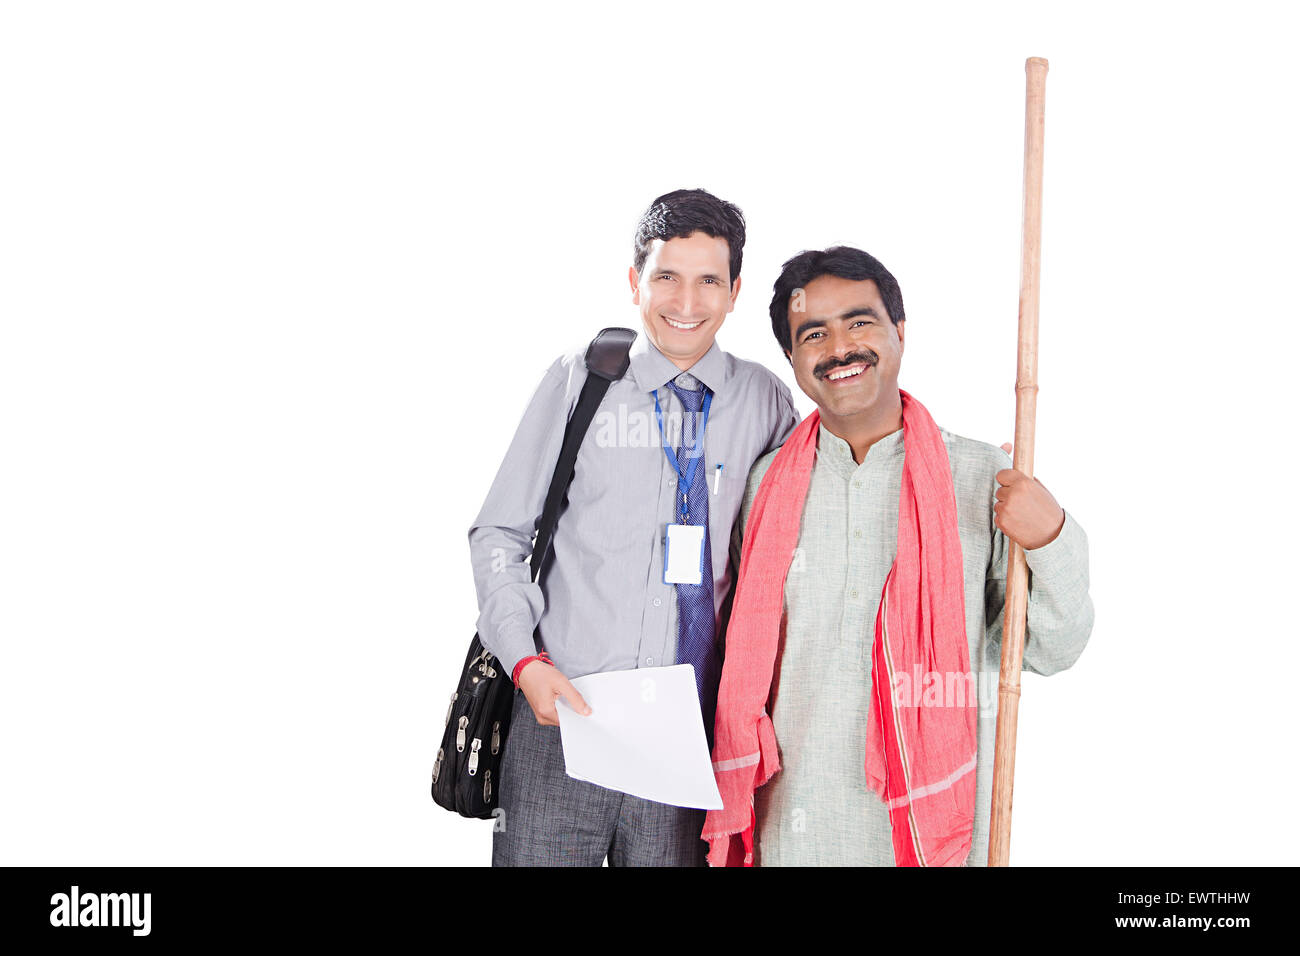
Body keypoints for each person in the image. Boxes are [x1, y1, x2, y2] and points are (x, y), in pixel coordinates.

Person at [704, 246, 1093, 867]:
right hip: (794, 830)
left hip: (933, 834)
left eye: (860, 323)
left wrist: (1051, 536)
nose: (839, 347)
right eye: (813, 333)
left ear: (899, 334)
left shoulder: (980, 477)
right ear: (793, 359)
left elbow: (1053, 647)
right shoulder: (763, 487)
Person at [470, 188, 800, 866]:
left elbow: (791, 545)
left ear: (735, 290)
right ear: (634, 283)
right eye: (667, 277)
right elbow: (500, 533)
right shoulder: (582, 379)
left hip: (688, 742)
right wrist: (525, 663)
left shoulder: (765, 400)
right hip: (559, 720)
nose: (687, 301)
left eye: (709, 280)